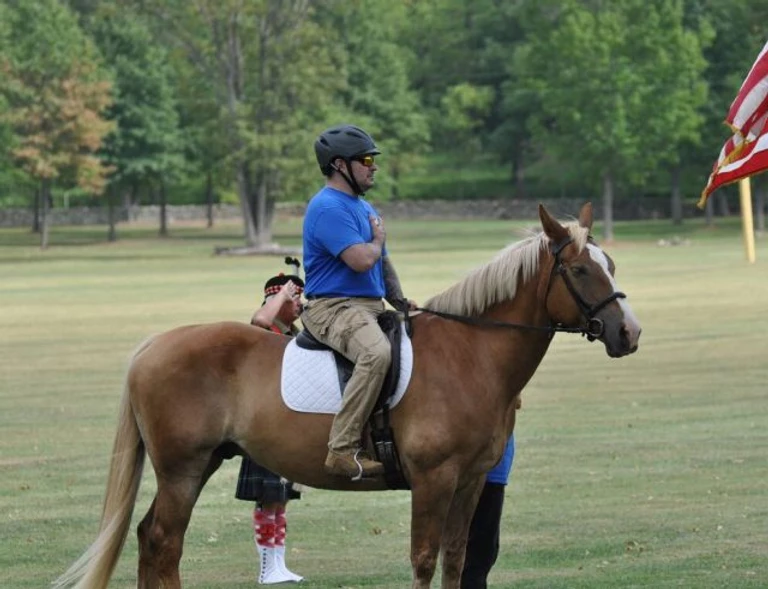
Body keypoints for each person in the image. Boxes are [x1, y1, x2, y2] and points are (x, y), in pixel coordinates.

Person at [301, 123, 416, 481]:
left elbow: (382, 263)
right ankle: (341, 450)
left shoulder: (363, 206)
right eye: (366, 160)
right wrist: (378, 239)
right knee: (376, 353)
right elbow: (363, 259)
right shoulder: (328, 208)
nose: (373, 166)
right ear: (340, 165)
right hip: (333, 307)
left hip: (368, 306)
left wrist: (402, 302)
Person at [236, 269, 305, 585]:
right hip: (265, 426)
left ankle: (279, 562)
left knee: (280, 501)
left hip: (286, 428)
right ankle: (267, 568)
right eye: (296, 298)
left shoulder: (293, 334)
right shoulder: (267, 332)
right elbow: (260, 320)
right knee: (269, 500)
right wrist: (281, 295)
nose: (300, 304)